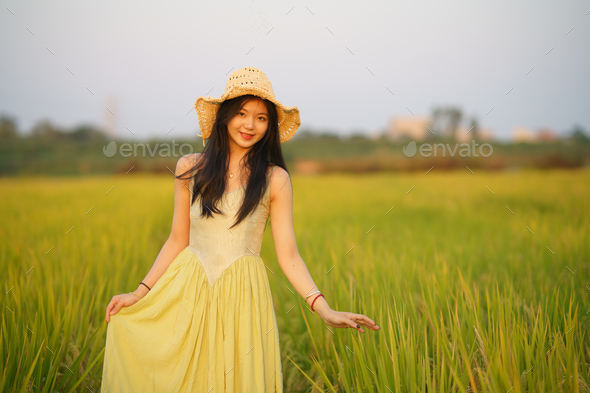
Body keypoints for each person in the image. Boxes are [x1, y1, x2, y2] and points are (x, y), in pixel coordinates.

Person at [101, 66, 380, 392]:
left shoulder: (275, 179)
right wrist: (139, 292)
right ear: (224, 117)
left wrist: (324, 308)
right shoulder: (190, 168)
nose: (250, 125)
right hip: (189, 287)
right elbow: (178, 239)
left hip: (243, 295)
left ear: (270, 126)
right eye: (242, 114)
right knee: (183, 377)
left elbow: (289, 255)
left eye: (261, 118)